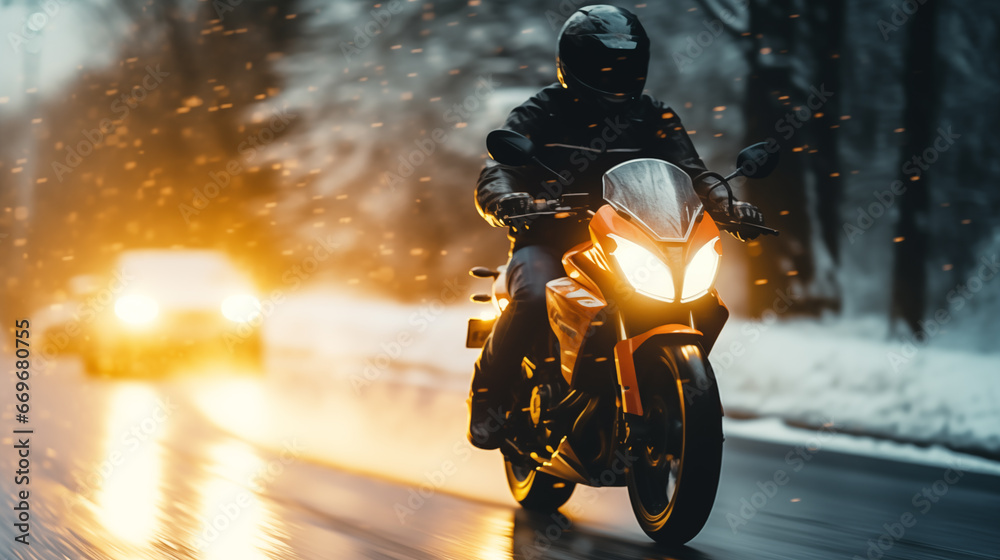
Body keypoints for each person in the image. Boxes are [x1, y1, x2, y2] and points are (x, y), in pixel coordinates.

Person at [468, 5, 765, 449]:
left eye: (625, 64)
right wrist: (508, 199)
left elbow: (694, 173)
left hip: (633, 241)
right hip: (549, 241)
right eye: (604, 64)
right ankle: (488, 397)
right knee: (532, 298)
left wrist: (727, 205)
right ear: (574, 63)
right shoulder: (541, 111)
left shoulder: (654, 116)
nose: (615, 74)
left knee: (704, 301)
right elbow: (498, 170)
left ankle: (658, 388)